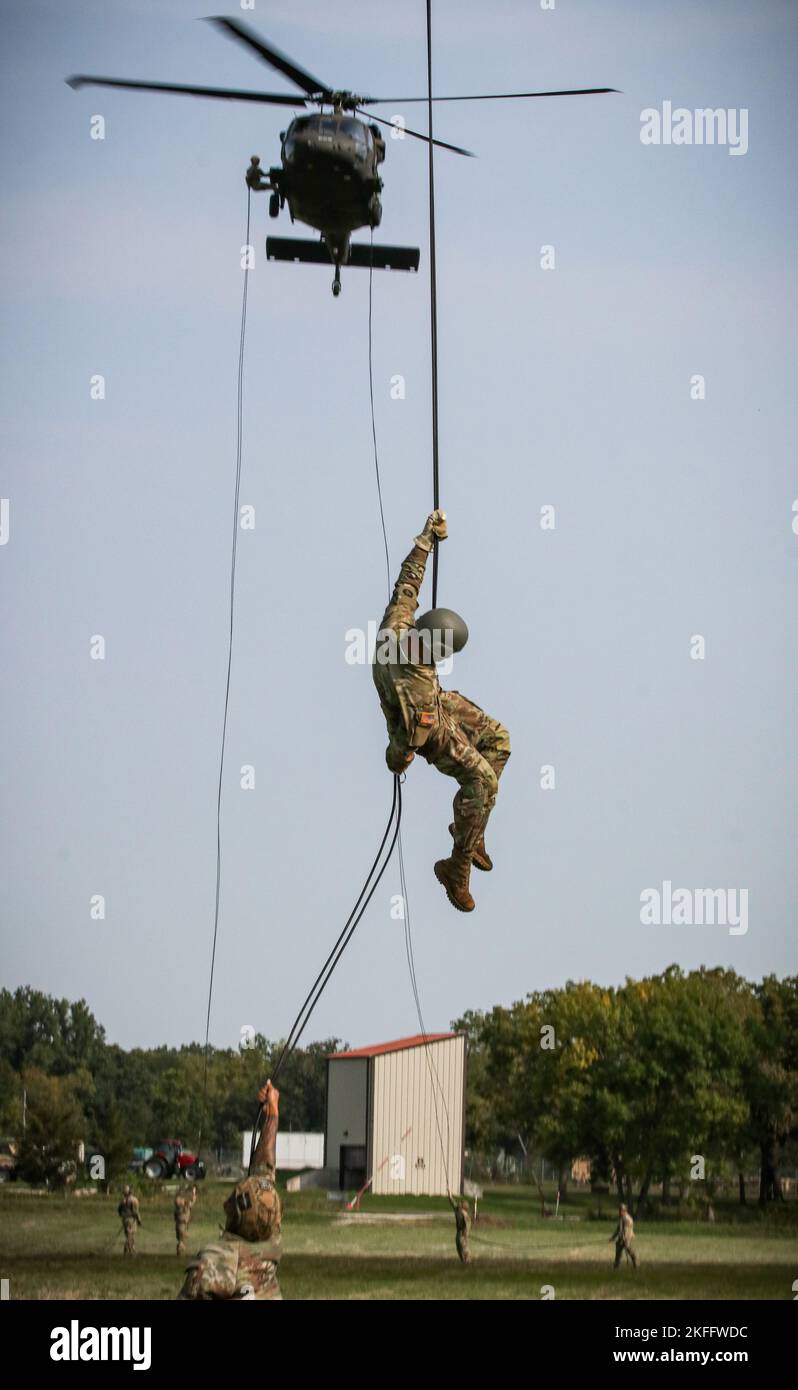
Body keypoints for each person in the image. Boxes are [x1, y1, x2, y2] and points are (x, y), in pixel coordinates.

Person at [373, 510, 510, 912]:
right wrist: (397, 756)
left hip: (437, 701)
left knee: (499, 739)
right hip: (428, 728)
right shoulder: (414, 690)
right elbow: (407, 739)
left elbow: (406, 585)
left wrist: (426, 538)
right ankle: (457, 865)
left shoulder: (396, 629)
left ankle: (472, 826)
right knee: (483, 782)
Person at [177, 1081, 282, 1300]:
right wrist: (272, 1115)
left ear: (232, 1212)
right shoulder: (270, 1250)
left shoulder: (212, 1265)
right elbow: (265, 1170)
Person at [610, 1203, 638, 1269]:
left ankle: (636, 1263)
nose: (619, 1211)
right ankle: (616, 1266)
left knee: (629, 1250)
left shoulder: (628, 1219)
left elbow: (628, 1230)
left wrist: (625, 1238)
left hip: (627, 1237)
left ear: (625, 1211)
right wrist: (613, 1237)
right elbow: (618, 1229)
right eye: (619, 1210)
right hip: (621, 1237)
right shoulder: (621, 1218)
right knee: (618, 1252)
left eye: (621, 1210)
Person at [448, 1190, 472, 1266]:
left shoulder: (465, 1214)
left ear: (464, 1207)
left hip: (463, 1233)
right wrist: (449, 1195)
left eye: (461, 1203)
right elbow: (452, 1203)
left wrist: (466, 1232)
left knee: (464, 1248)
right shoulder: (457, 1210)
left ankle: (467, 1262)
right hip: (458, 1233)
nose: (459, 1203)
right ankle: (463, 1262)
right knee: (458, 1248)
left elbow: (468, 1224)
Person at [118, 1185, 142, 1257]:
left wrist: (124, 1217)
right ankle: (131, 1251)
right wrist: (139, 1220)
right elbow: (136, 1211)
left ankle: (127, 1251)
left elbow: (119, 1211)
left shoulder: (122, 1200)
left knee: (129, 1236)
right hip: (131, 1220)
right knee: (130, 1236)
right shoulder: (134, 1200)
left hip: (125, 1220)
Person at [174, 1184, 197, 1257]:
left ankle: (180, 1253)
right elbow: (192, 1201)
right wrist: (193, 1193)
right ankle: (180, 1254)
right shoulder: (182, 1206)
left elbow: (192, 1201)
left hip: (181, 1224)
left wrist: (193, 1193)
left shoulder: (183, 1206)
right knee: (181, 1240)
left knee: (181, 1240)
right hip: (181, 1225)